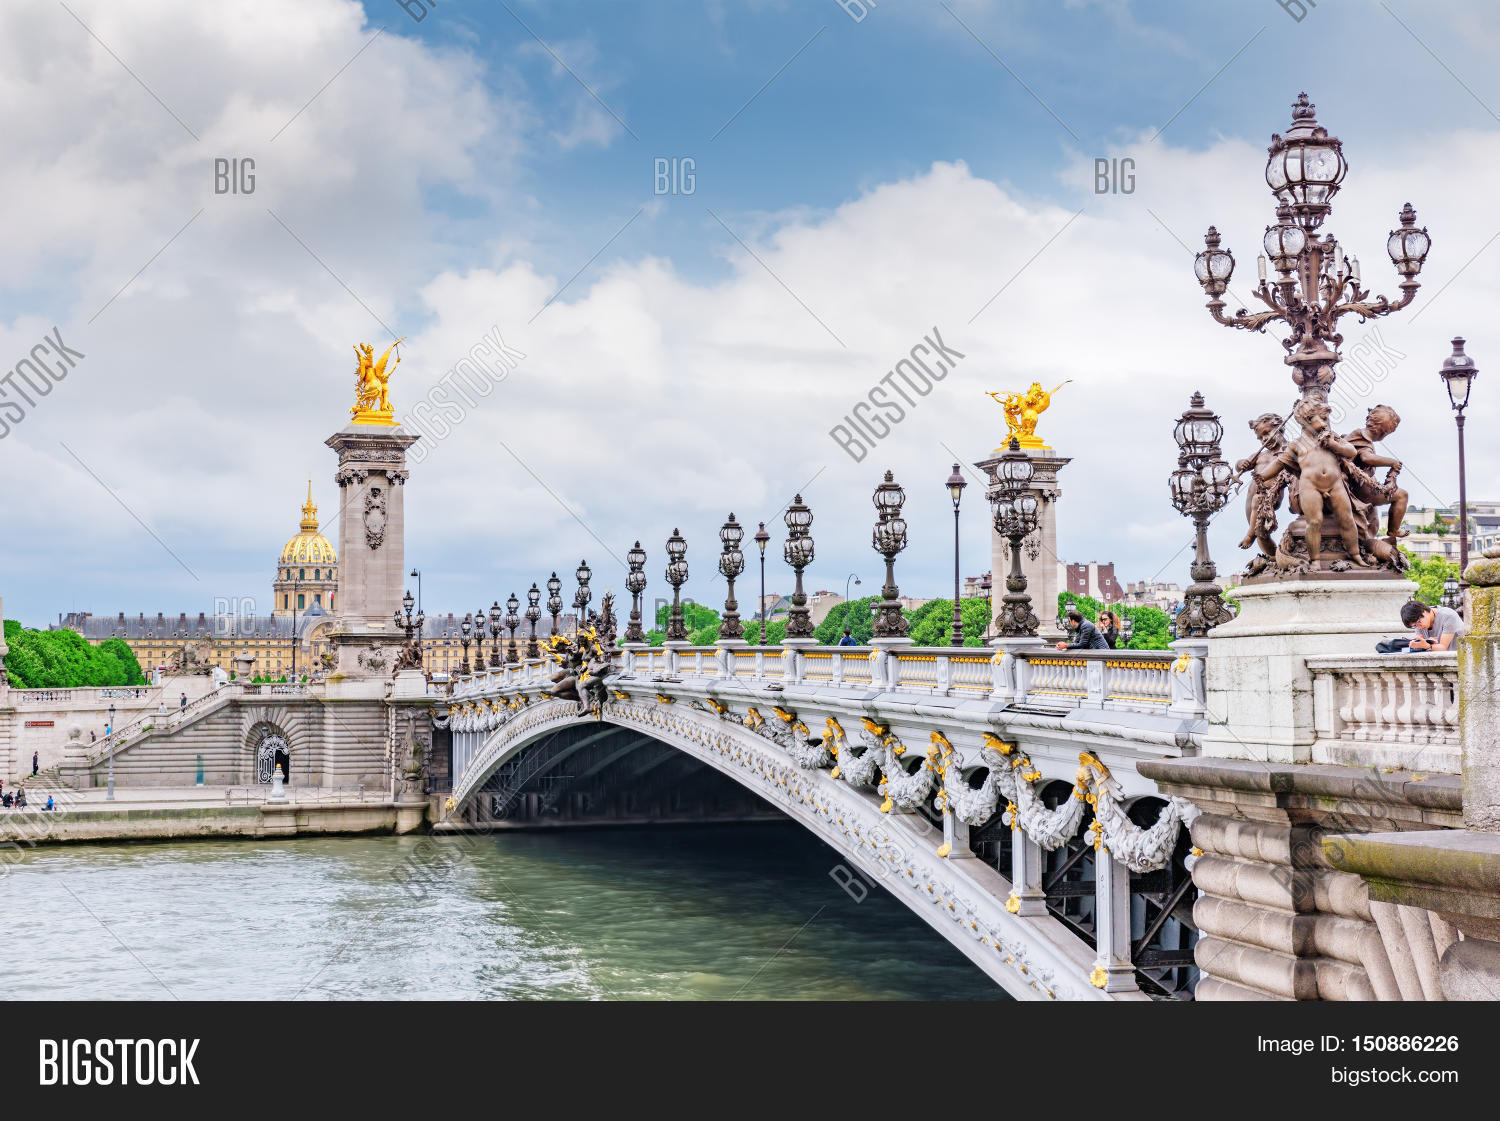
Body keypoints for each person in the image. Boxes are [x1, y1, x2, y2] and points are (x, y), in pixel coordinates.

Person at [1377, 600, 1465, 654]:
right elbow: (1421, 642)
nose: (1419, 627)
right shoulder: (1418, 623)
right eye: (1415, 626)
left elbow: (1442, 647)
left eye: (1419, 622)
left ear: (1424, 611)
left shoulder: (1448, 615)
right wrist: (1419, 644)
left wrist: (1427, 646)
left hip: (1461, 659)